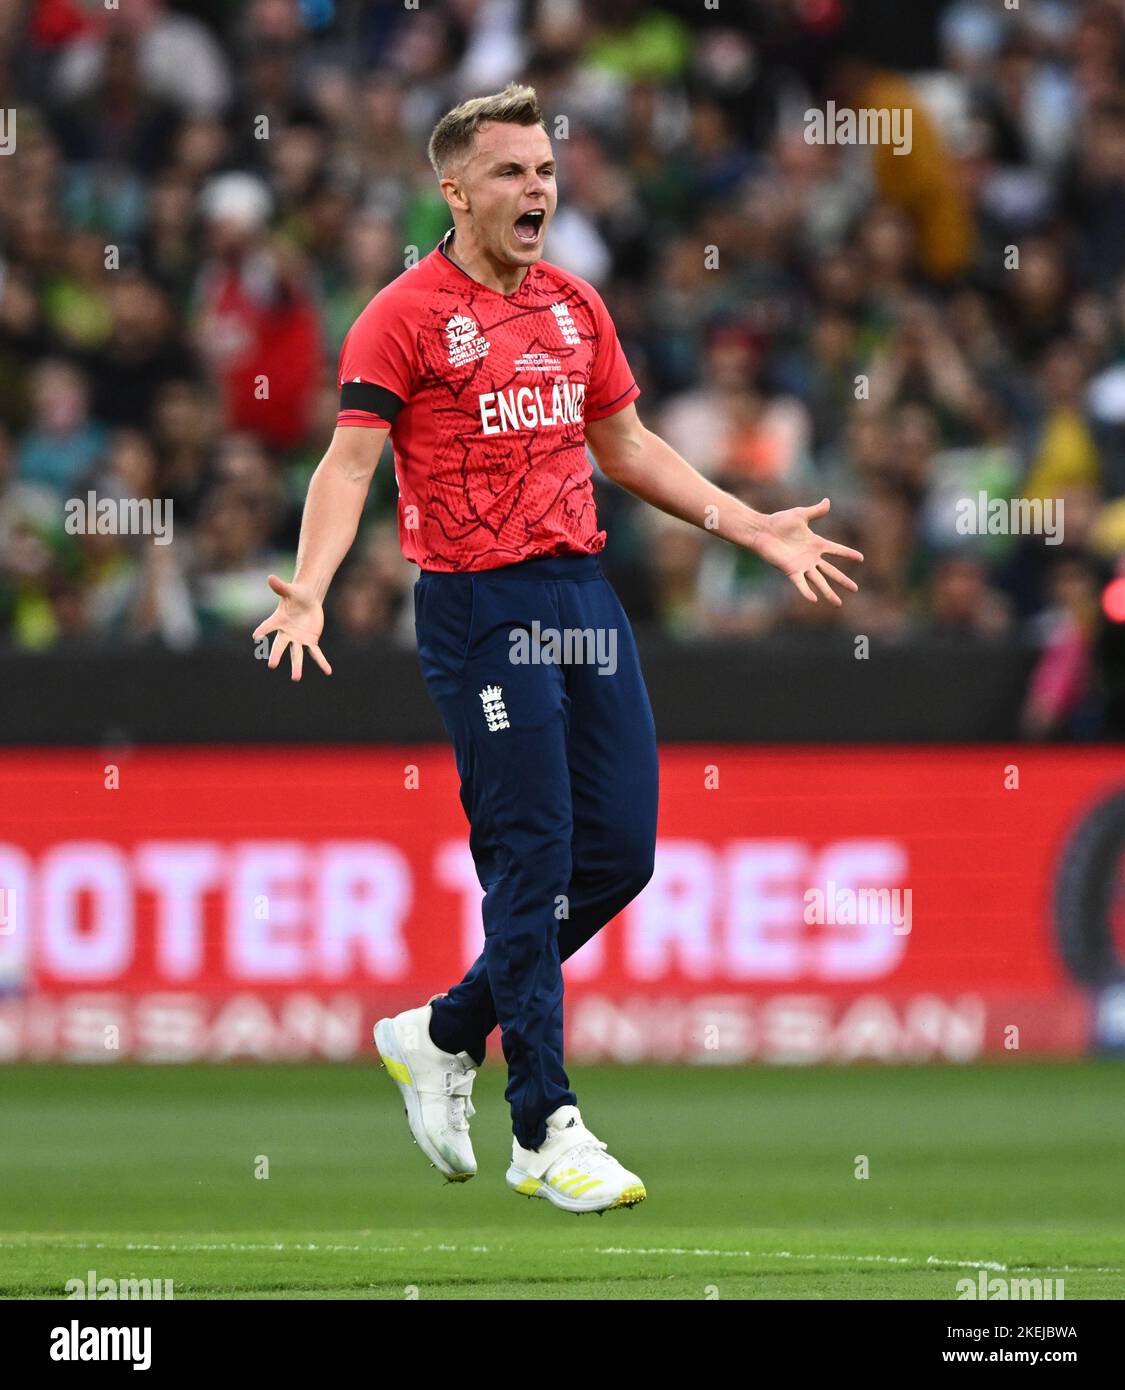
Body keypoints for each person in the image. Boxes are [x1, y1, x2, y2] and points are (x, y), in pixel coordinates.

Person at [253, 83, 863, 1214]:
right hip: (477, 605)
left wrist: (751, 524)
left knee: (619, 853)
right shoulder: (402, 314)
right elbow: (346, 465)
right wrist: (315, 590)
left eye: (543, 171)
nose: (535, 191)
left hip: (580, 593)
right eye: (510, 173)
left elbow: (626, 445)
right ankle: (543, 1123)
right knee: (529, 858)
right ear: (454, 189)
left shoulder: (575, 305)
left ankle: (440, 1030)